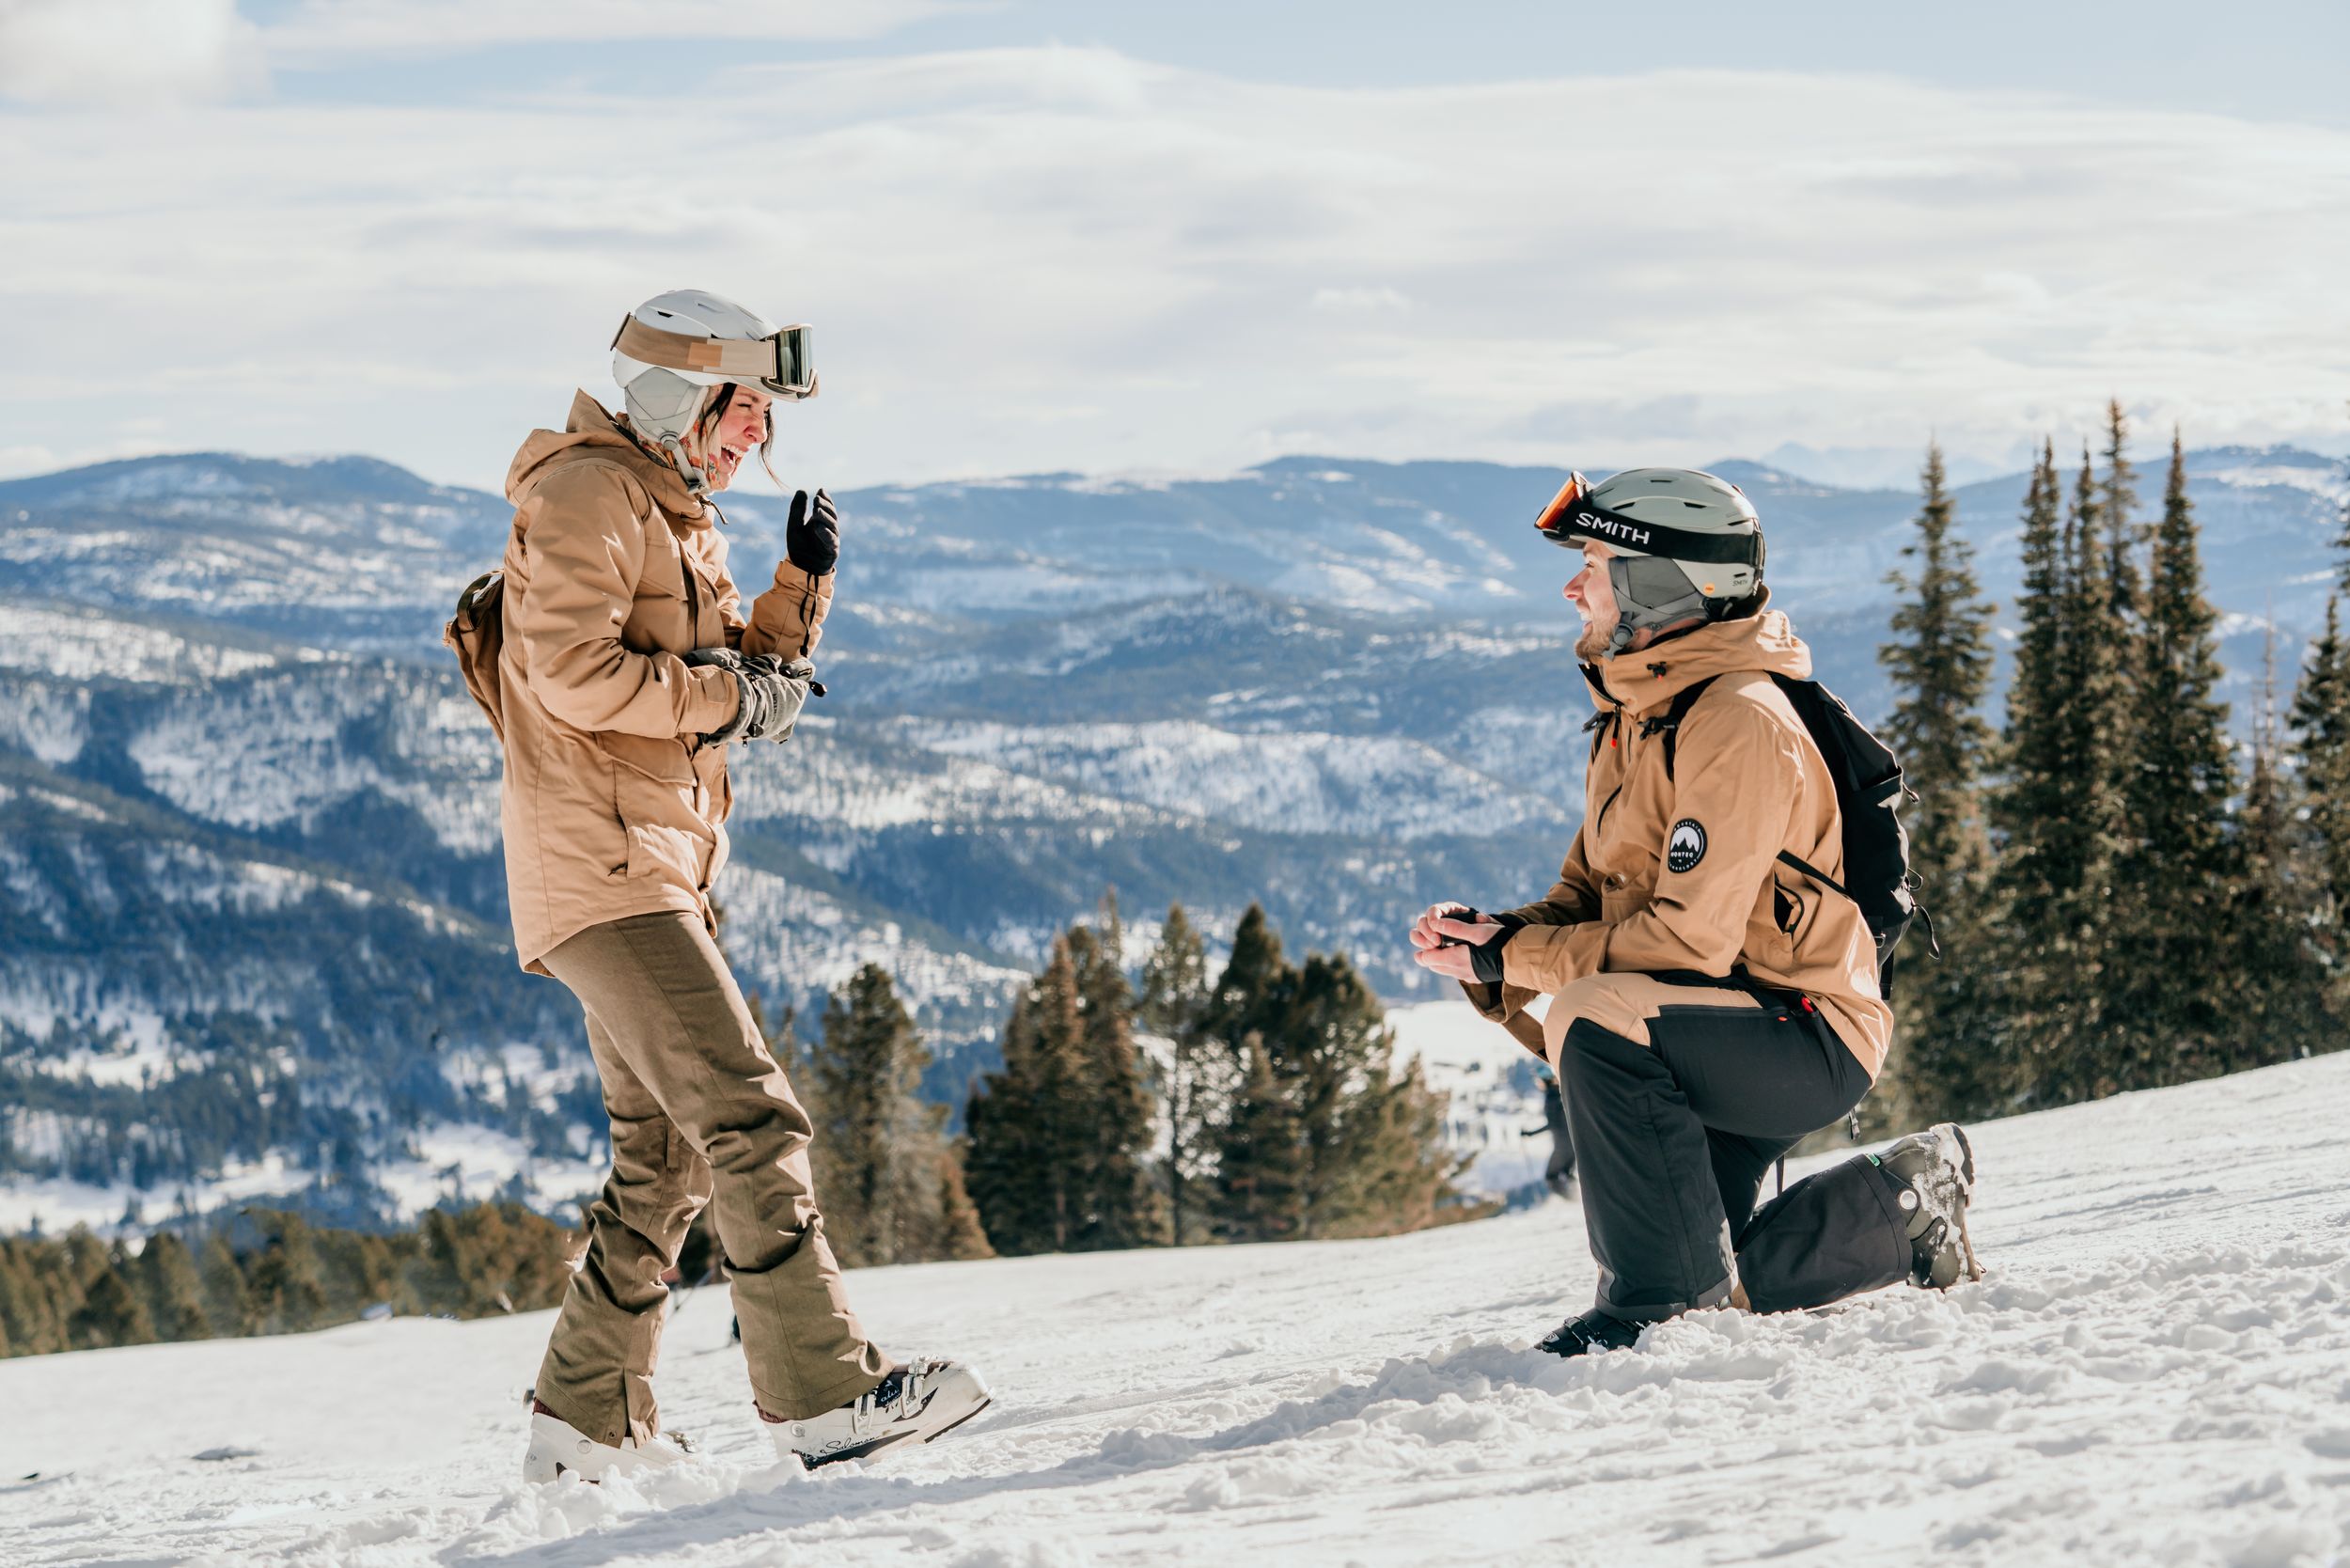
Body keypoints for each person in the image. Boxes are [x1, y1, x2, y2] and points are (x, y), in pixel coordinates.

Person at [498, 290, 989, 1480]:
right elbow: (575, 674)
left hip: (647, 862)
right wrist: (729, 697)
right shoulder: (586, 494)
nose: (752, 438)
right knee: (750, 1117)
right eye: (743, 409)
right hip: (608, 870)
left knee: (663, 1161)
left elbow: (734, 681)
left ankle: (582, 1429)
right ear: (682, 394)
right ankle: (821, 1395)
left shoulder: (667, 506)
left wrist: (800, 584)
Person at [1411, 467, 1980, 1356]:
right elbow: (1587, 899)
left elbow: (1688, 941)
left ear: (1659, 581)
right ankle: (1901, 1206)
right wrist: (1492, 943)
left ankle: (1651, 1316)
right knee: (1713, 1268)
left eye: (1593, 563)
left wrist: (1516, 962)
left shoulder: (1738, 720)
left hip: (1798, 1031)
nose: (1572, 586)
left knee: (1598, 1029)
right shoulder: (1638, 716)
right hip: (1705, 1026)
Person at [1520, 1073, 1575, 1200]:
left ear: (1546, 1081)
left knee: (1551, 1176)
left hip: (1561, 1145)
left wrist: (1530, 1134)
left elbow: (1553, 1124)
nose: (1537, 1083)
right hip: (1572, 1142)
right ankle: (1580, 1199)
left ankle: (1572, 1202)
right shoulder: (1561, 1094)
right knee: (1567, 1173)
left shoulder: (1551, 1097)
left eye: (1538, 1080)